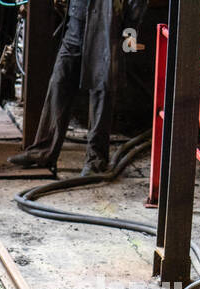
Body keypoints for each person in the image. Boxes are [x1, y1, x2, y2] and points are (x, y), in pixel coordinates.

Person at [9, 0, 147, 176]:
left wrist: (128, 32)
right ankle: (43, 151)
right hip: (76, 22)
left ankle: (96, 160)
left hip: (106, 24)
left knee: (101, 90)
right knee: (59, 81)